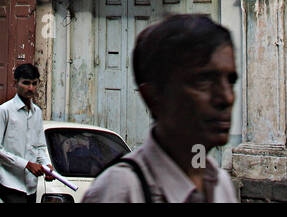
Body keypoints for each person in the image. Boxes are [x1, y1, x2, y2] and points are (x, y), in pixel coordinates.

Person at [83, 14, 239, 203]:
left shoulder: (220, 185)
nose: (227, 97)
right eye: (204, 80)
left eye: (230, 81)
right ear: (153, 97)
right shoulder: (120, 191)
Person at [0, 63, 52, 203]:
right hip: (9, 182)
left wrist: (47, 165)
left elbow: (40, 146)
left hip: (30, 185)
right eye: (26, 83)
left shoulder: (37, 112)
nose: (30, 88)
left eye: (34, 84)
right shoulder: (4, 111)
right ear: (15, 83)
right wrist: (27, 164)